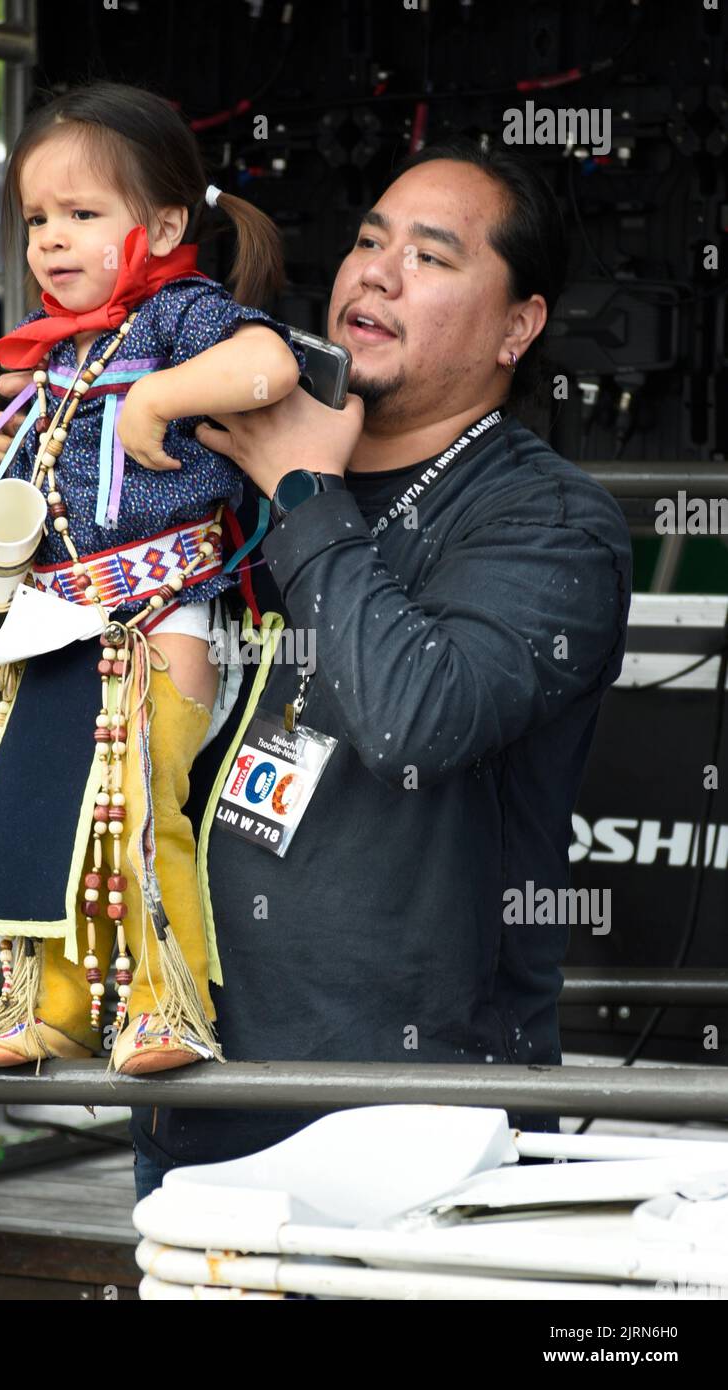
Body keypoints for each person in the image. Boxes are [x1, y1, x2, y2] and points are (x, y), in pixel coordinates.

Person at [125, 137, 634, 1202]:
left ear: (517, 325)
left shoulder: (546, 519)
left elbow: (416, 717)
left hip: (412, 1130)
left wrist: (308, 496)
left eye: (432, 257)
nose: (377, 271)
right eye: (368, 239)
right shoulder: (241, 462)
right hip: (195, 1100)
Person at [0, 80, 306, 1077]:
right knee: (45, 810)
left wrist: (159, 399)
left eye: (83, 215)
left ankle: (165, 1002)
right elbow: (17, 434)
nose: (53, 240)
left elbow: (269, 364)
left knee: (143, 806)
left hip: (158, 611)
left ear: (166, 222)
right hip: (57, 617)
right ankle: (49, 1003)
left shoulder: (183, 315)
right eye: (38, 220)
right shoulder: (53, 342)